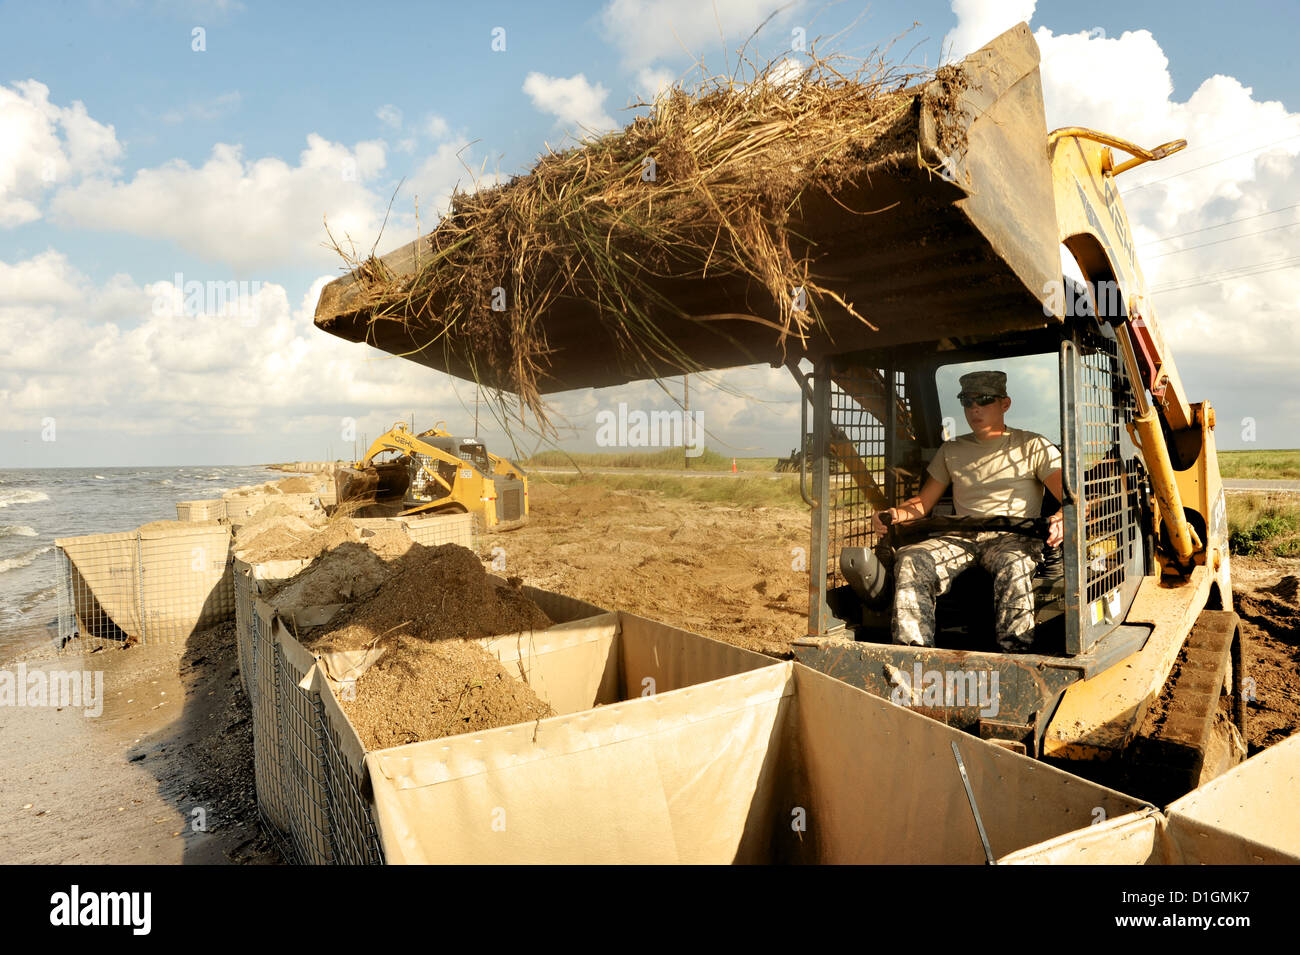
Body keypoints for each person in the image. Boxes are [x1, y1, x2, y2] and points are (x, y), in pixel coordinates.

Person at [870, 370, 1064, 652]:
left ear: (1005, 404)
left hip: (1012, 538)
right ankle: (912, 654)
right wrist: (895, 514)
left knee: (1014, 564)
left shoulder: (1033, 446)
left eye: (984, 400)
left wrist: (1059, 518)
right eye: (967, 401)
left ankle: (1016, 654)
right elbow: (922, 504)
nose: (974, 408)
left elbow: (1073, 499)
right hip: (961, 538)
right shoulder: (952, 450)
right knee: (912, 558)